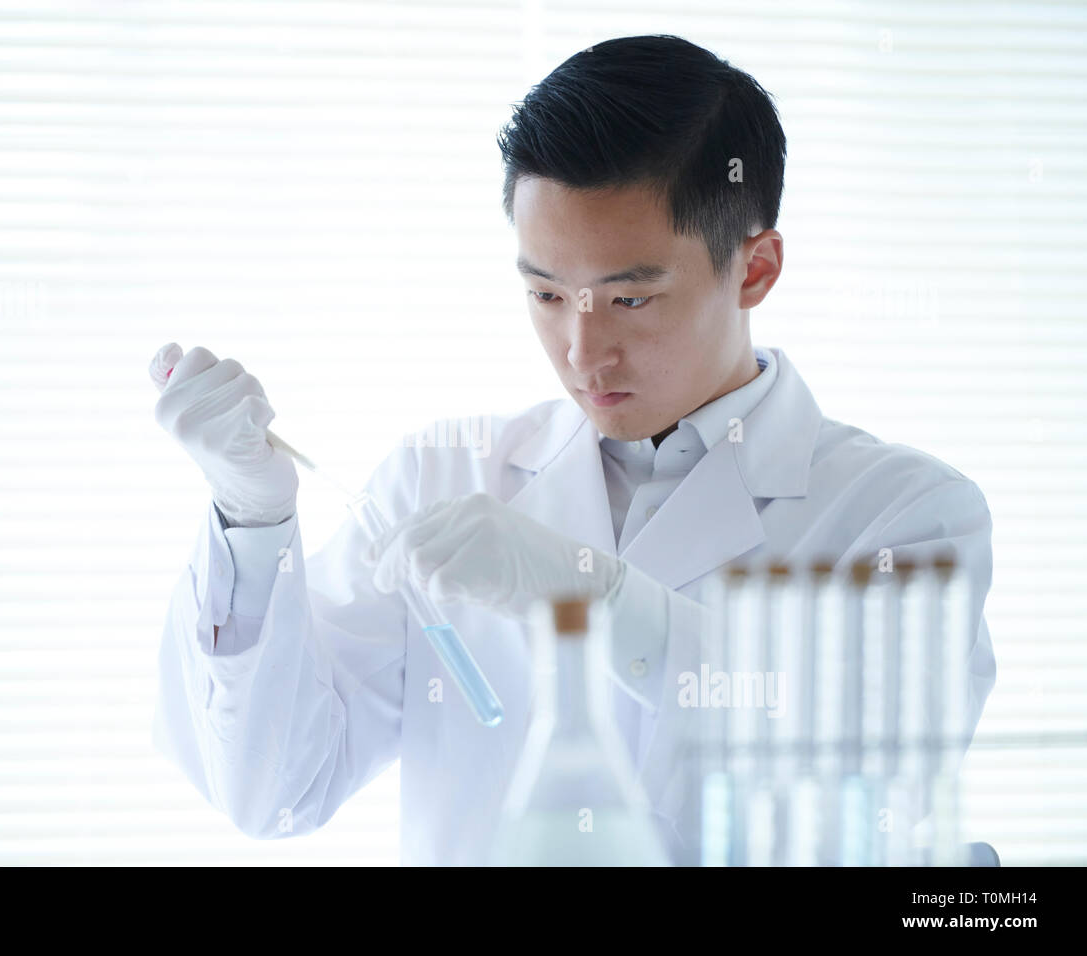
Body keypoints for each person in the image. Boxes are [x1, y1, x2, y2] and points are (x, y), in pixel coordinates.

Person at [149, 35, 996, 865]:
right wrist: (251, 522)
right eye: (547, 293)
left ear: (755, 269)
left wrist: (592, 596)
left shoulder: (907, 514)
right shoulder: (439, 477)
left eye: (629, 298)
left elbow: (869, 781)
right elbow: (276, 789)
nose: (583, 353)